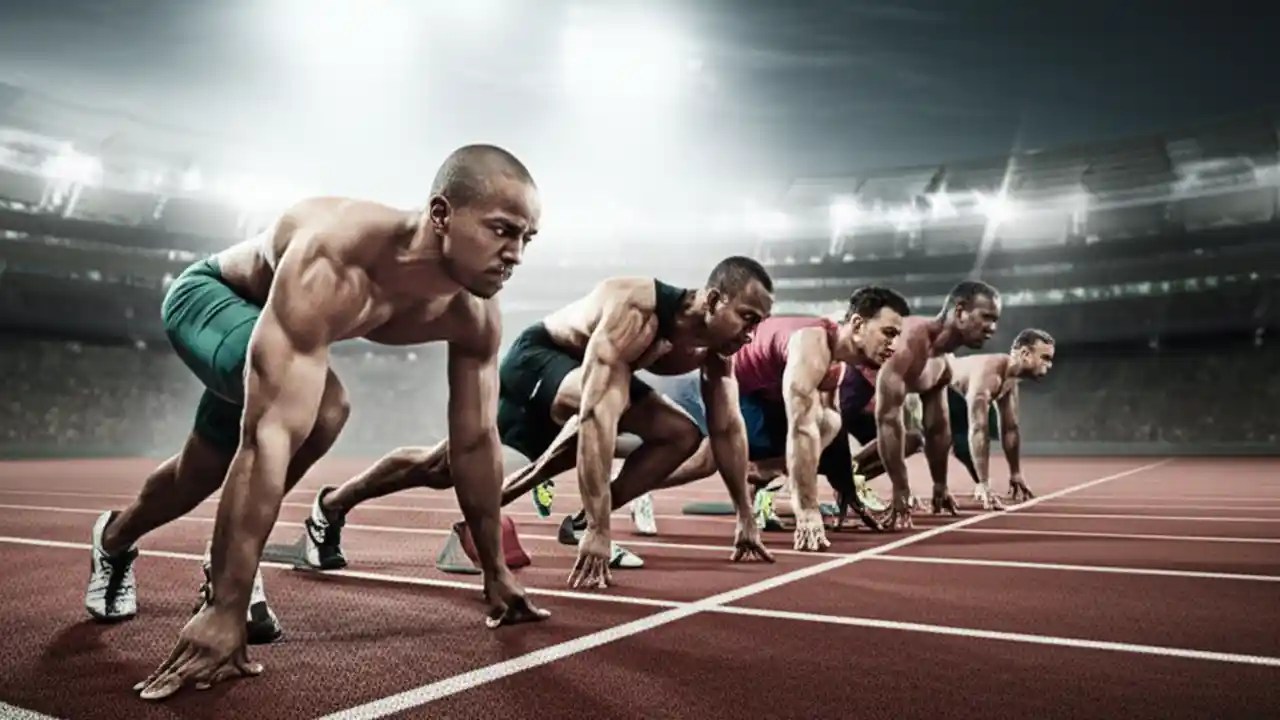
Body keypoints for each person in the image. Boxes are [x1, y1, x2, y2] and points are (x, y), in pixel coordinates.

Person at [95, 145, 549, 702]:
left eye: (527, 238)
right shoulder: (334, 257)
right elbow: (270, 438)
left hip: (271, 341)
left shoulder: (473, 313)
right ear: (440, 215)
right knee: (324, 409)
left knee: (198, 471)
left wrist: (495, 572)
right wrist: (226, 608)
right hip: (213, 300)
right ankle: (223, 579)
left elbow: (476, 443)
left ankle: (114, 538)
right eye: (503, 230)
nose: (516, 254)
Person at [304, 257, 778, 589]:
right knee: (462, 459)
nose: (751, 334)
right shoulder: (637, 310)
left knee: (679, 433)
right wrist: (601, 530)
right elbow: (594, 415)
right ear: (714, 299)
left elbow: (728, 430)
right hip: (540, 360)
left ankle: (578, 519)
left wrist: (744, 515)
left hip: (591, 385)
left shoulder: (718, 351)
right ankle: (331, 507)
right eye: (747, 317)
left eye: (758, 324)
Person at [591, 286, 911, 547]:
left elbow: (826, 437)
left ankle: (760, 477)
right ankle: (636, 482)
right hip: (726, 377)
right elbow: (800, 431)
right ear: (856, 325)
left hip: (759, 391)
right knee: (709, 461)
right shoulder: (812, 347)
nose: (893, 346)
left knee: (829, 422)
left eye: (897, 336)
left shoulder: (836, 367)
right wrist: (808, 512)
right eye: (887, 333)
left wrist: (842, 487)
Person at [867, 280, 1002, 530]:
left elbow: (938, 429)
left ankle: (849, 479)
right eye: (986, 317)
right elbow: (887, 419)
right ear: (960, 312)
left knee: (914, 438)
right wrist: (901, 489)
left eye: (995, 321)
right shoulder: (907, 340)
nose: (991, 328)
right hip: (841, 396)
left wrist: (940, 484)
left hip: (870, 407)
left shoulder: (942, 365)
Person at [946, 328, 1056, 507]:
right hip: (941, 386)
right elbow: (977, 429)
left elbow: (1010, 428)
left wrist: (1016, 473)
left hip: (958, 394)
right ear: (1026, 354)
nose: (1049, 365)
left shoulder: (1010, 379)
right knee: (928, 441)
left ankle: (978, 482)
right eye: (1045, 358)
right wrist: (984, 484)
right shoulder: (988, 374)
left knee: (973, 438)